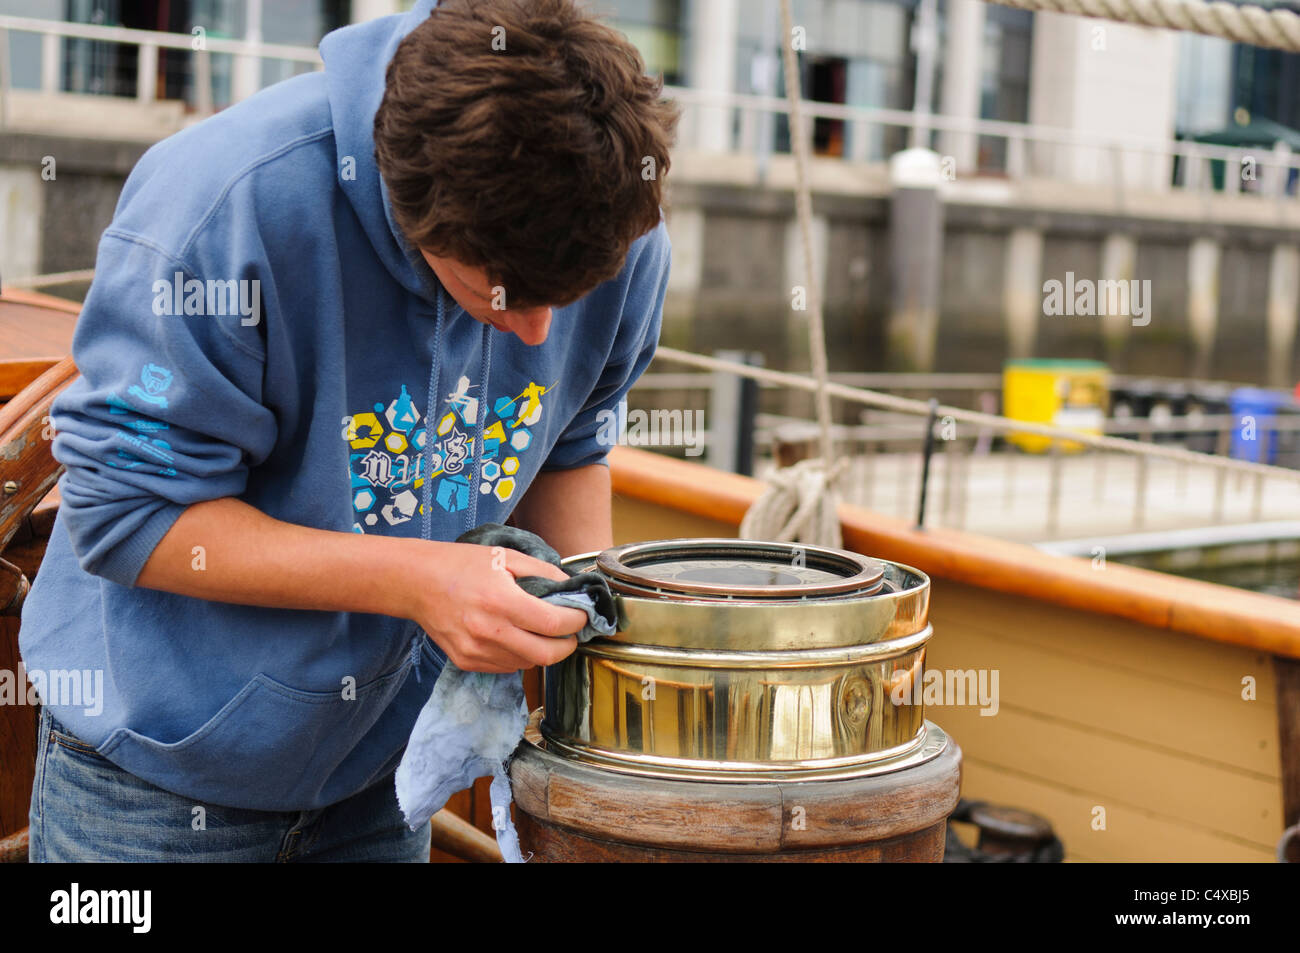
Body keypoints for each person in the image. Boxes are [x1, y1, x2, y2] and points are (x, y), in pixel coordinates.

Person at [19, 0, 676, 862]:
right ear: (416, 213)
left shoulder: (616, 222)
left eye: (573, 295)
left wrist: (579, 636)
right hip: (152, 783)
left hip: (384, 773)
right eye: (503, 293)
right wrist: (424, 582)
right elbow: (129, 515)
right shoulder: (220, 208)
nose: (539, 337)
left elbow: (574, 437)